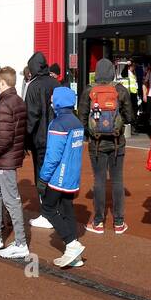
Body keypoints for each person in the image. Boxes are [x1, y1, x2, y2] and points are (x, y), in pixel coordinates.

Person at [79, 58, 136, 235]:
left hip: (96, 144)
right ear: (113, 72)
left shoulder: (89, 91)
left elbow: (81, 117)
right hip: (118, 142)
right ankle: (119, 222)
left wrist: (90, 133)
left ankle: (98, 222)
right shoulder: (120, 91)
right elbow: (130, 117)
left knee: (99, 181)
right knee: (117, 180)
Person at [0, 66, 31, 258]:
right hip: (7, 157)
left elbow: (4, 138)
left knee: (10, 199)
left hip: (4, 158)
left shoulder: (5, 104)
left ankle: (20, 242)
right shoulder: (18, 101)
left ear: (2, 83)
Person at [40, 86, 87, 267]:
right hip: (72, 175)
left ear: (58, 102)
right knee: (67, 208)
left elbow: (53, 156)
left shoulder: (58, 124)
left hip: (58, 176)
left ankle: (71, 243)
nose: (51, 101)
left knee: (48, 208)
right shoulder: (76, 122)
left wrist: (43, 179)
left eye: (53, 99)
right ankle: (74, 251)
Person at [23, 52, 57, 226]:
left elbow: (31, 115)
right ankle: (54, 209)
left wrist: (23, 139)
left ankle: (47, 213)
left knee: (42, 174)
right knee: (54, 172)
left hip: (40, 138)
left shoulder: (34, 86)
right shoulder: (55, 82)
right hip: (56, 137)